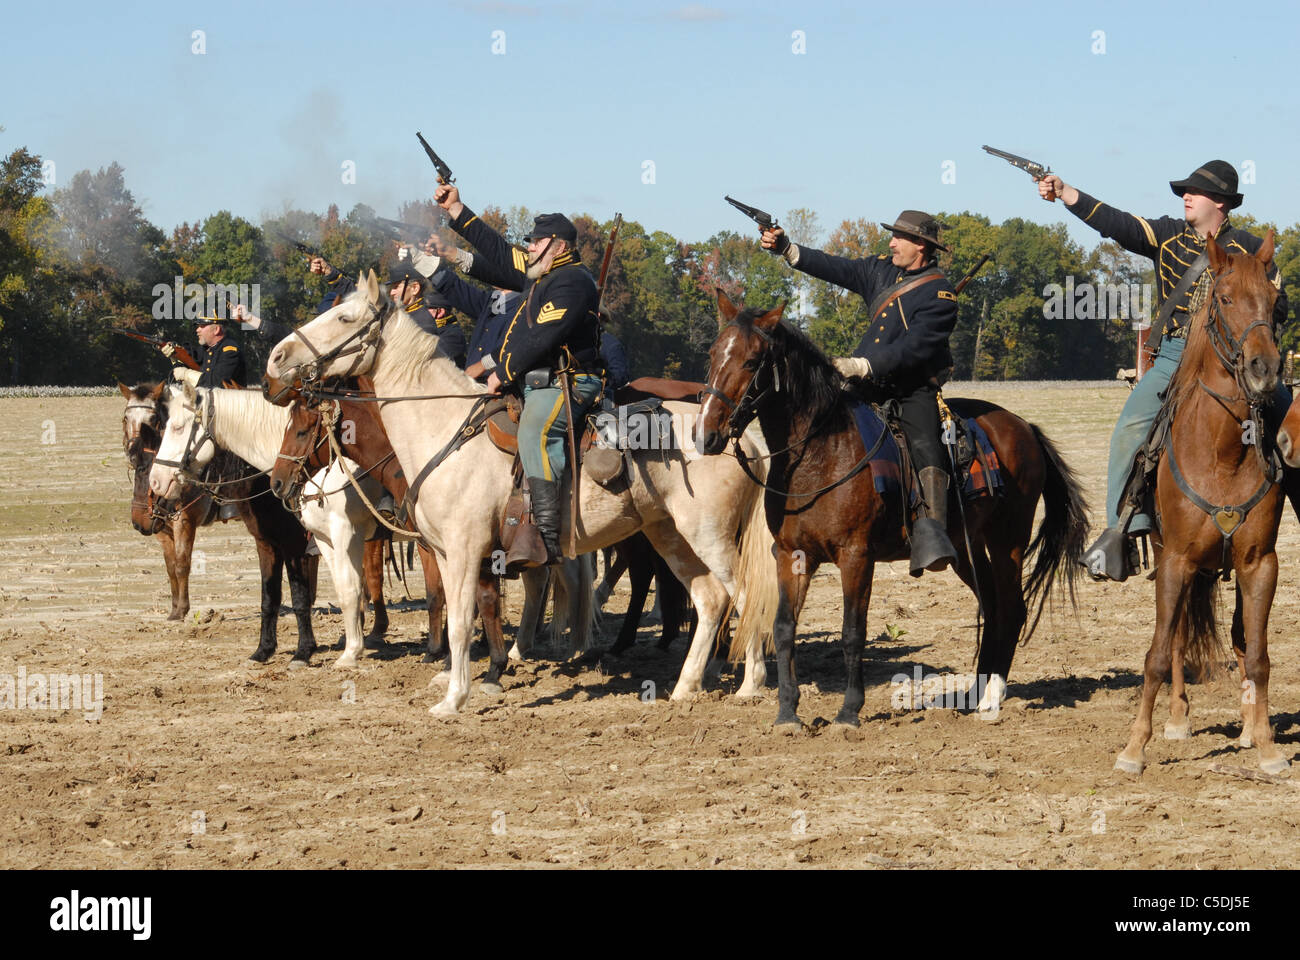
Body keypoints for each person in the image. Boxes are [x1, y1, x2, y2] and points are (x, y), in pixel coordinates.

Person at [1036, 160, 1289, 581]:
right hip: (1175, 357)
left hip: (1241, 362)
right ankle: (1122, 533)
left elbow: (1278, 308)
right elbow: (1116, 223)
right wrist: (1065, 192)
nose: (1185, 197)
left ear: (1221, 203)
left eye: (1195, 192)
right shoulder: (1168, 235)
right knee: (1128, 433)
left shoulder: (1250, 250)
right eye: (1184, 192)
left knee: (1292, 427)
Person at [761, 210, 960, 576]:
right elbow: (837, 268)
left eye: (899, 238)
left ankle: (932, 532)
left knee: (925, 441)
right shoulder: (881, 271)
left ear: (921, 246)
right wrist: (787, 248)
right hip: (865, 386)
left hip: (910, 388)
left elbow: (914, 348)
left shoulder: (941, 295)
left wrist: (864, 364)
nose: (891, 242)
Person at [434, 184, 604, 566]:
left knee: (535, 431)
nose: (528, 247)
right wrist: (457, 210)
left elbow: (541, 335)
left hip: (570, 381)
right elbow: (496, 248)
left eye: (536, 242)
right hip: (540, 380)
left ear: (558, 246)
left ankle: (545, 535)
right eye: (529, 242)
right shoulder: (542, 274)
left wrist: (500, 372)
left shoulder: (572, 281)